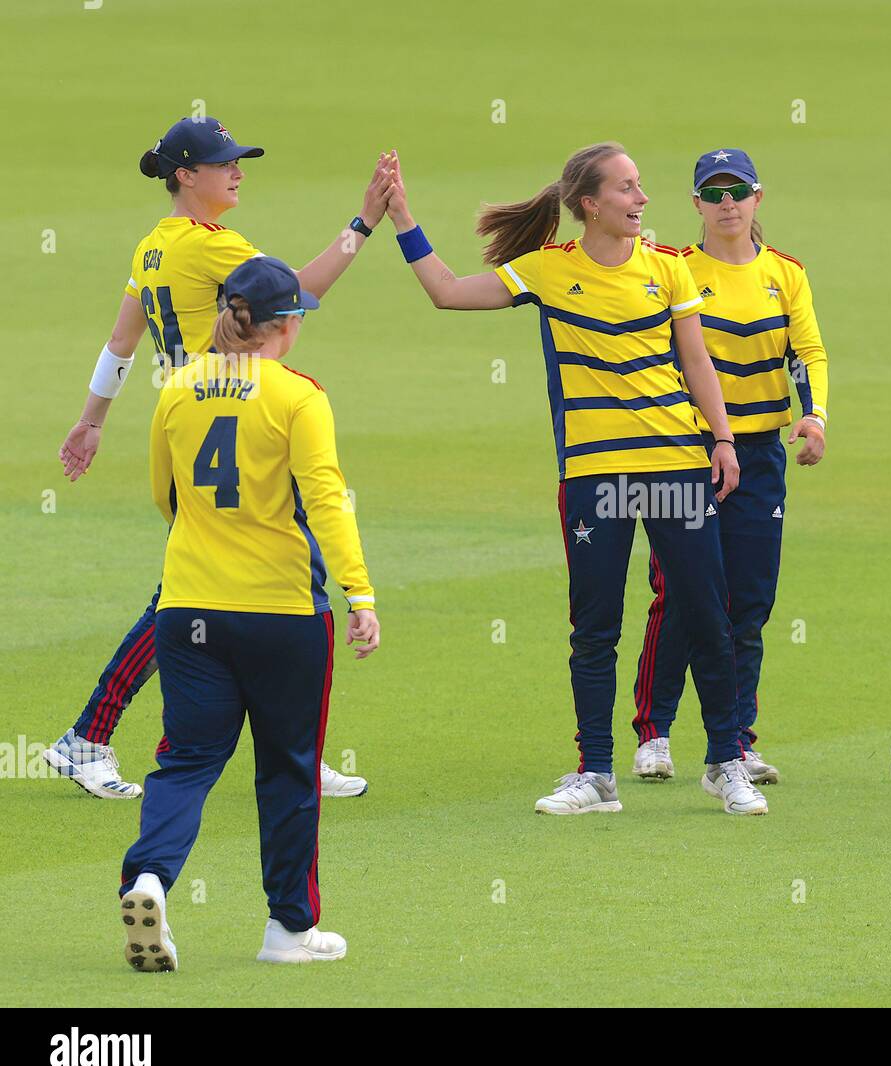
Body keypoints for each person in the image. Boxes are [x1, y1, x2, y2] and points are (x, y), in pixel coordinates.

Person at [383, 143, 768, 815]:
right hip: (595, 476)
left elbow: (697, 361)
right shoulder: (547, 271)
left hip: (676, 466)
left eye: (640, 186)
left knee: (709, 614)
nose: (641, 198)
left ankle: (727, 761)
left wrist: (725, 438)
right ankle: (597, 776)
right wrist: (402, 219)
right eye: (627, 188)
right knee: (595, 627)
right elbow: (446, 293)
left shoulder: (670, 269)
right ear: (589, 204)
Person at [46, 116, 389, 798]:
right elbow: (297, 292)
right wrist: (364, 224)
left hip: (188, 428)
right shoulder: (213, 247)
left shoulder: (151, 249)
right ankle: (94, 737)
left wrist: (91, 422)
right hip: (237, 421)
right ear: (185, 176)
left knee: (198, 593)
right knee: (282, 585)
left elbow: (121, 344)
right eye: (224, 163)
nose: (237, 171)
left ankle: (97, 737)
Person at [120, 256, 380, 972]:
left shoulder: (177, 388)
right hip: (282, 612)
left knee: (187, 758)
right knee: (289, 770)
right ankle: (288, 931)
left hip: (188, 607)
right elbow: (327, 499)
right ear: (286, 324)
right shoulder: (299, 395)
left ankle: (147, 879)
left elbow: (164, 496)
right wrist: (359, 594)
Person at [628, 148, 828, 784]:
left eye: (736, 192)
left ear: (757, 198)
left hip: (762, 453)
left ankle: (737, 740)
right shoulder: (675, 271)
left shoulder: (785, 275)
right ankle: (654, 732)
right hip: (686, 453)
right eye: (713, 194)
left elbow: (807, 350)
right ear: (694, 204)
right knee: (683, 593)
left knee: (749, 599)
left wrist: (814, 414)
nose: (726, 204)